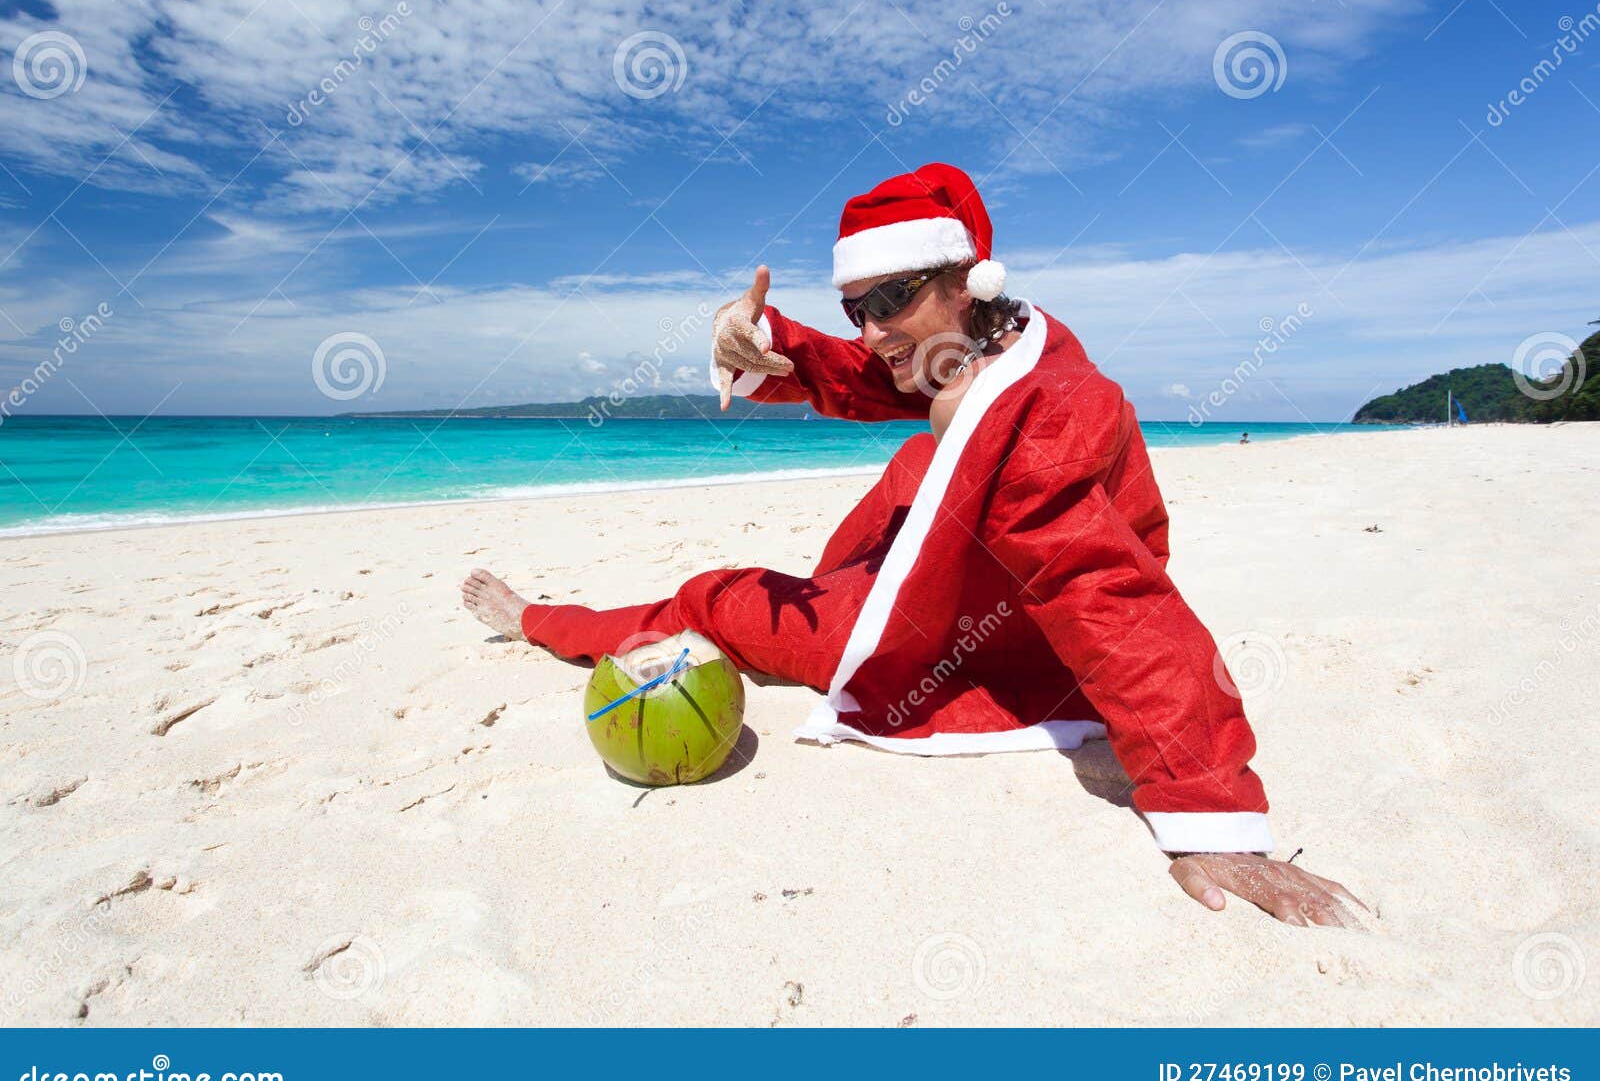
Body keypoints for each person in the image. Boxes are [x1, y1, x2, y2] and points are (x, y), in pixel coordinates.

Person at [463, 163, 1363, 927]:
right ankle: (840, 580)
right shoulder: (1005, 340)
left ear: (966, 278)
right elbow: (868, 372)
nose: (871, 328)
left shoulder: (1032, 410)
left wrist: (1213, 820)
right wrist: (765, 344)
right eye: (856, 305)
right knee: (916, 452)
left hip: (955, 634)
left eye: (892, 299)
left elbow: (1109, 597)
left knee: (713, 595)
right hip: (971, 575)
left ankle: (539, 619)